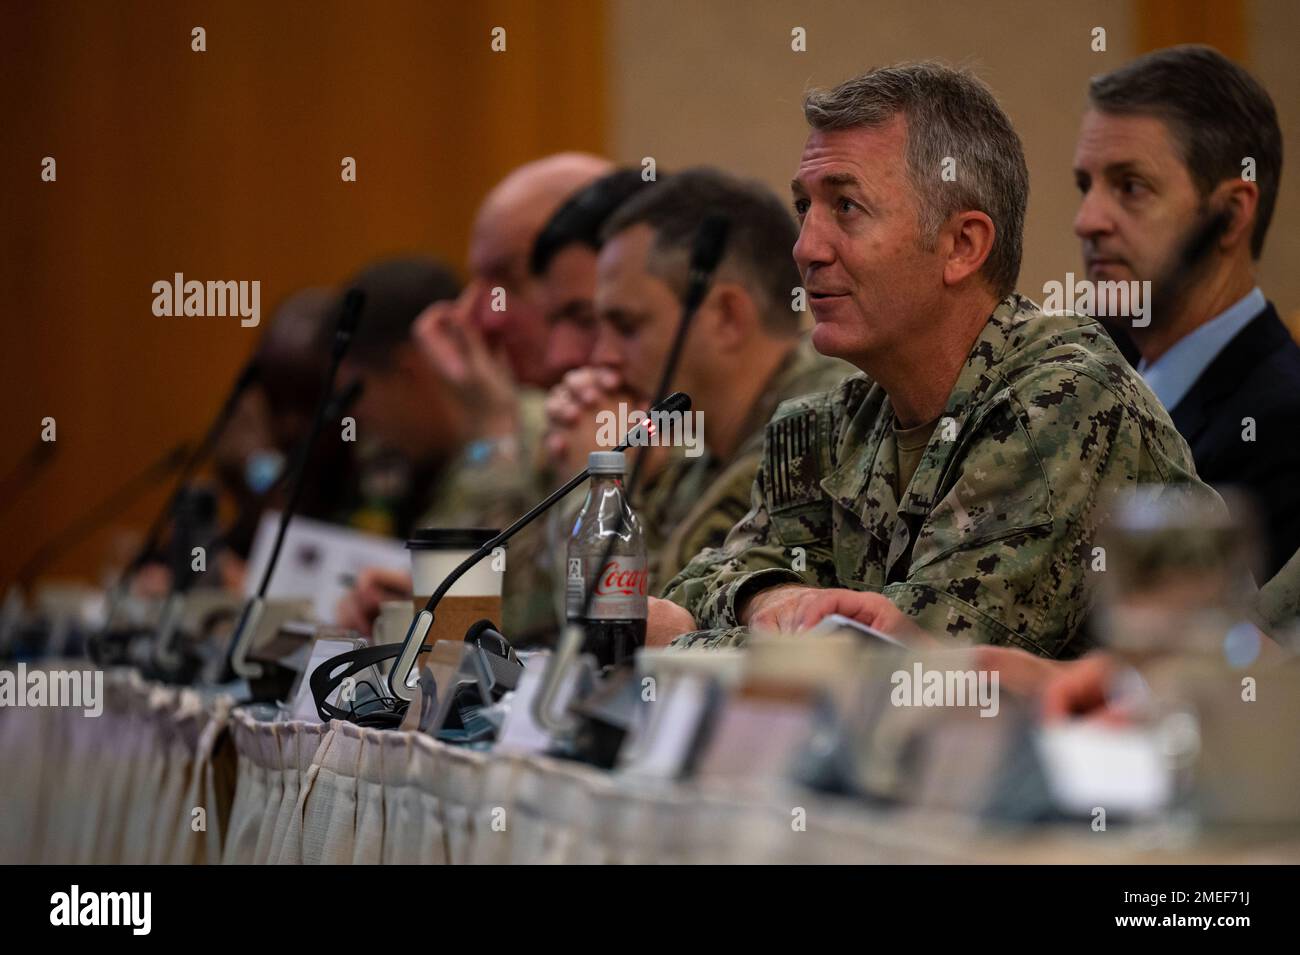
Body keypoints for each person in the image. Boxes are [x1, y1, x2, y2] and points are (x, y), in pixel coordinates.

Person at [648, 63, 1217, 659]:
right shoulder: (824, 423)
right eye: (803, 208)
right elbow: (697, 580)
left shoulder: (1060, 401)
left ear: (962, 246)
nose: (806, 248)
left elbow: (912, 677)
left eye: (845, 206)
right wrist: (767, 598)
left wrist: (680, 643)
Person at [338, 155, 612, 639]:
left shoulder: (652, 421)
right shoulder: (538, 413)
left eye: (506, 277)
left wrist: (493, 430)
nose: (482, 316)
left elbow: (530, 624)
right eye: (478, 283)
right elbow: (472, 625)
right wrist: (418, 602)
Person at [543, 168, 854, 590]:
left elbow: (640, 620)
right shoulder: (691, 442)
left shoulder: (820, 421)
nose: (603, 357)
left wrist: (596, 483)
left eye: (627, 326)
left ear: (727, 316)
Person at [1073, 45, 1300, 578]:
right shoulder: (1084, 359)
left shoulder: (1283, 430)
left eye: (1130, 186)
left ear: (1230, 214)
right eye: (1087, 186)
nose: (1087, 220)